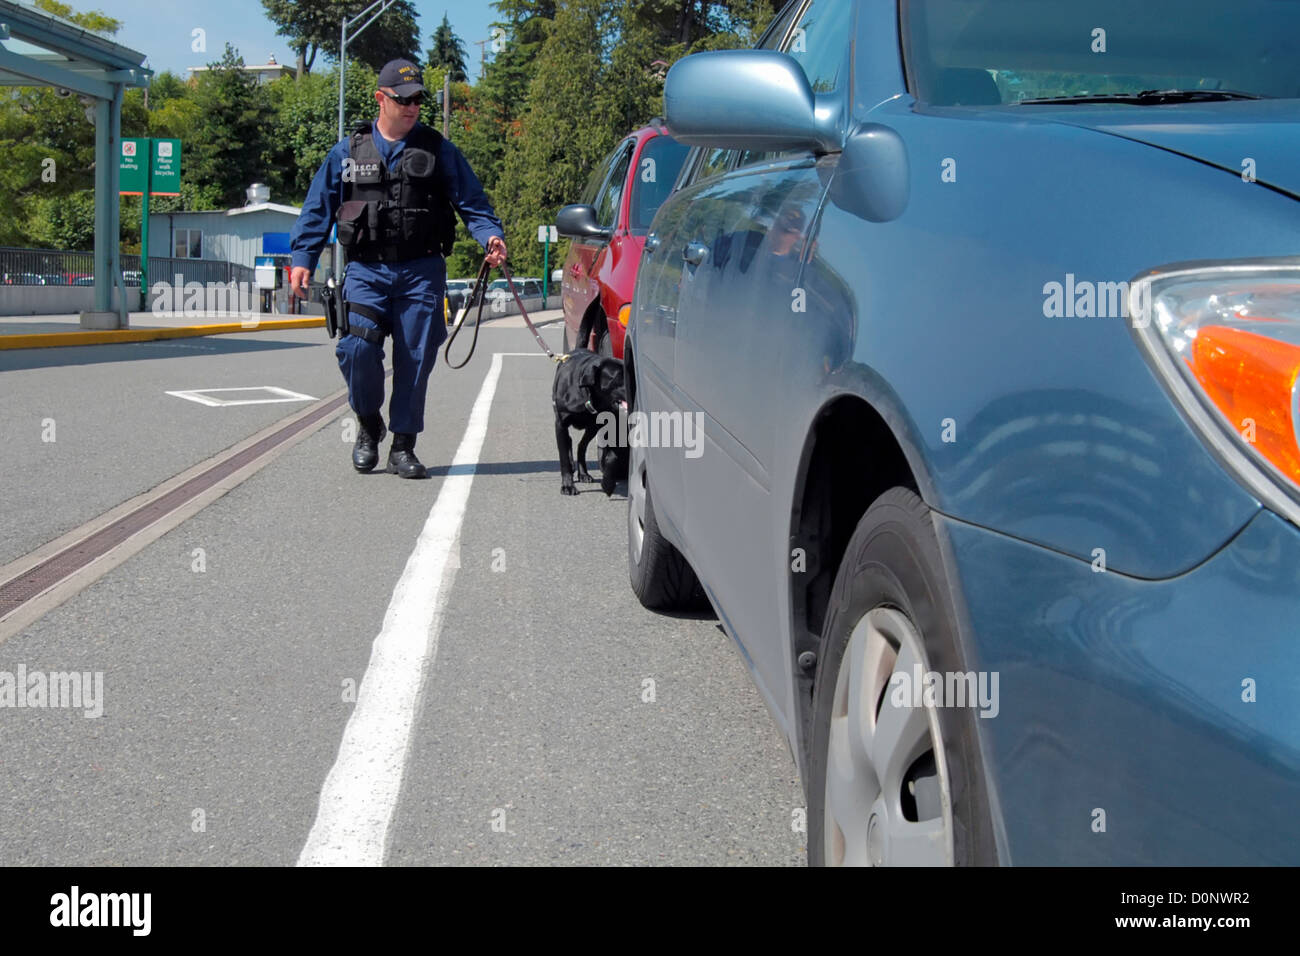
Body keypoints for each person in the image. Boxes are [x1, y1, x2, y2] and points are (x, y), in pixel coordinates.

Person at [289, 58, 507, 478]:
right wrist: (303, 259)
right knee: (356, 349)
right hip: (366, 272)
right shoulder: (347, 152)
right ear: (380, 99)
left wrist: (490, 237)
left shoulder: (438, 150)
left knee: (415, 358)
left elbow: (473, 205)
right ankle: (369, 425)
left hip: (421, 271)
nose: (411, 106)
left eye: (418, 99)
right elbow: (317, 210)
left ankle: (403, 446)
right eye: (402, 99)